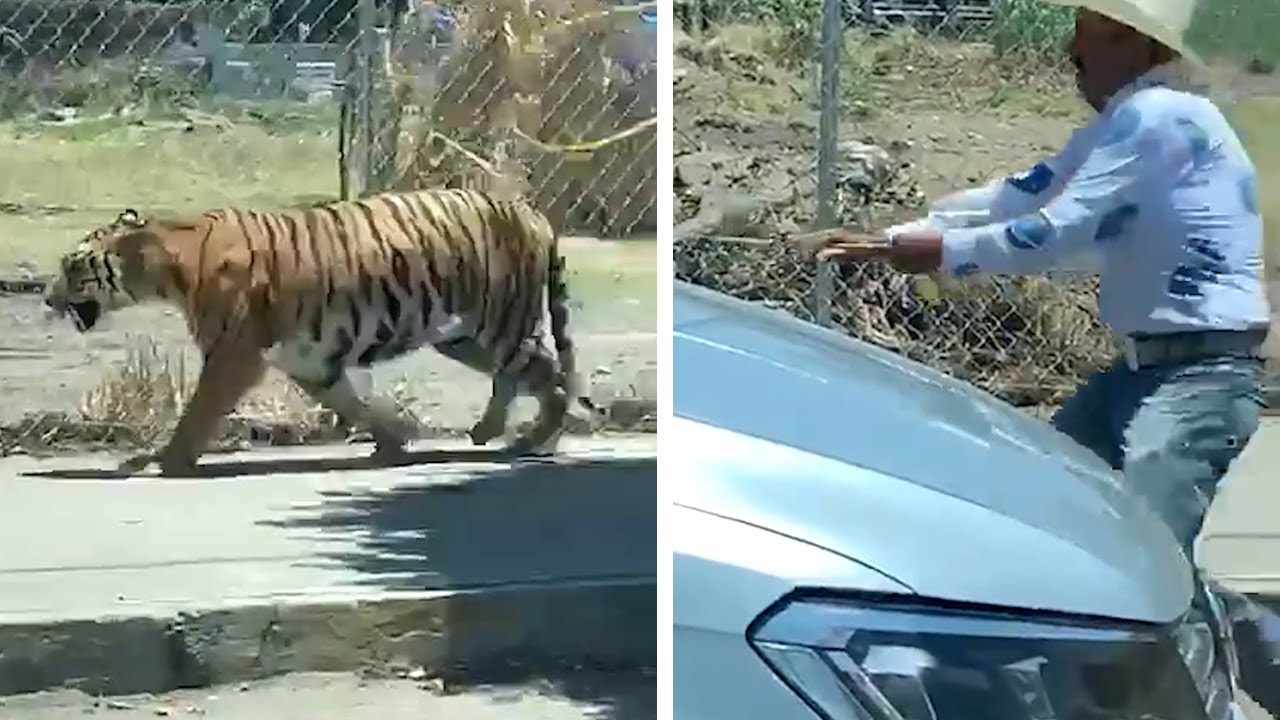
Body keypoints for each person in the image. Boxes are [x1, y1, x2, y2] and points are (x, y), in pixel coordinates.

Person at [815, 0, 1280, 710]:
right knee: (1064, 518)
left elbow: (1058, 228)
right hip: (1152, 370)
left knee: (1142, 569)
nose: (1071, 52)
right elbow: (1026, 194)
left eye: (1088, 34)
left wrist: (937, 250)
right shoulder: (1128, 124)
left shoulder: (1159, 118)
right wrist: (904, 235)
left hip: (1196, 379)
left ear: (1134, 42)